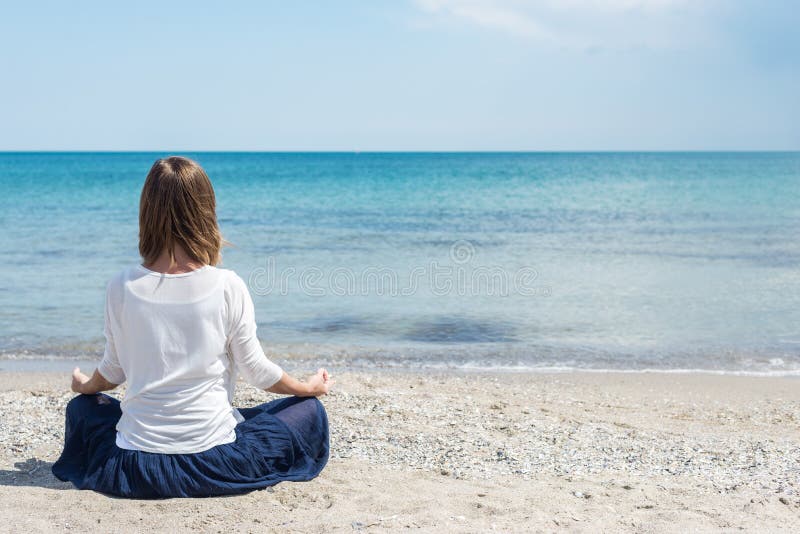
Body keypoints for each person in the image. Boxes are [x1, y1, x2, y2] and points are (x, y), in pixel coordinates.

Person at [52, 156, 333, 499]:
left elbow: (113, 370)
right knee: (308, 410)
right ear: (205, 211)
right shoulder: (227, 285)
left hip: (137, 464)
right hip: (212, 461)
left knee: (82, 408)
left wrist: (85, 385)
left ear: (147, 212)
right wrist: (307, 387)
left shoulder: (120, 285)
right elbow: (257, 372)